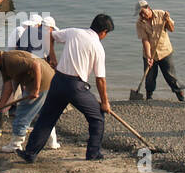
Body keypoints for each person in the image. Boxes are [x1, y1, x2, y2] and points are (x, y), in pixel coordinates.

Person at [17, 14, 113, 162]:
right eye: (106, 34)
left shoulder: (74, 32)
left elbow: (50, 35)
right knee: (97, 119)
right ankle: (93, 154)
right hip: (76, 87)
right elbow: (100, 79)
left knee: (46, 119)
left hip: (58, 82)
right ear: (103, 31)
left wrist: (52, 56)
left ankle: (30, 153)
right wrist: (105, 102)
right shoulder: (98, 47)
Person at [0, 45, 55, 151]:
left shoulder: (10, 60)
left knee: (22, 114)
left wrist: (36, 89)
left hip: (42, 82)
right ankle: (53, 142)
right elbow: (7, 86)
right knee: (44, 114)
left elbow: (35, 64)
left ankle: (15, 145)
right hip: (45, 79)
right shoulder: (4, 63)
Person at [5, 12, 59, 147]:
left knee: (26, 109)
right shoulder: (47, 37)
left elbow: (19, 51)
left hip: (24, 74)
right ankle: (51, 142)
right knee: (40, 110)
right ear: (50, 28)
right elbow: (49, 61)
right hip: (39, 77)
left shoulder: (27, 32)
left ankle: (16, 142)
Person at [135, 0, 184, 101]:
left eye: (143, 13)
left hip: (165, 51)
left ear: (148, 8)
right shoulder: (139, 23)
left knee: (171, 76)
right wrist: (148, 56)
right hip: (149, 53)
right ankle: (149, 98)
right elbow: (145, 40)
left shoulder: (161, 14)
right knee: (149, 77)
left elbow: (171, 29)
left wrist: (168, 20)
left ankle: (181, 97)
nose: (142, 16)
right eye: (140, 14)